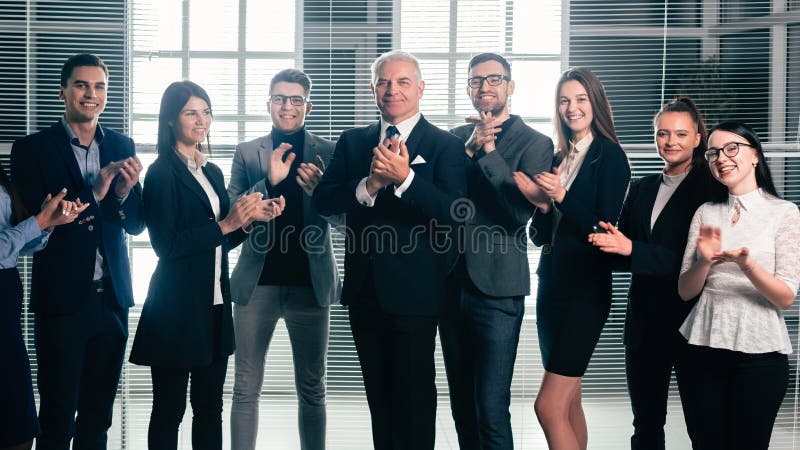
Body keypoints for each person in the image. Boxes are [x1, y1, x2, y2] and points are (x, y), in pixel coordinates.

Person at [313, 50, 466, 450]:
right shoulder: (353, 142)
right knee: (379, 403)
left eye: (401, 82)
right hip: (365, 293)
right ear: (372, 89)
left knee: (414, 402)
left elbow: (455, 214)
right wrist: (370, 186)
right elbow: (323, 202)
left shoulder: (445, 145)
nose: (391, 90)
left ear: (420, 89)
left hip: (417, 295)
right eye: (383, 82)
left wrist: (407, 179)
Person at [128, 81, 284, 450]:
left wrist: (248, 221)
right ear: (170, 120)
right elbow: (167, 247)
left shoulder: (211, 171)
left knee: (210, 409)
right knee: (170, 410)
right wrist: (226, 224)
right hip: (175, 311)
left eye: (206, 111)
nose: (202, 120)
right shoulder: (162, 173)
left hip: (214, 308)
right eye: (191, 112)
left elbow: (219, 244)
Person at [10, 53, 145, 450]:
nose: (91, 94)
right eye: (82, 85)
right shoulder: (32, 149)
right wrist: (95, 192)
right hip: (62, 302)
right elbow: (38, 222)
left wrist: (120, 194)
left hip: (112, 300)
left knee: (98, 417)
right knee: (56, 414)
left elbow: (135, 222)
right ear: (62, 92)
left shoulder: (122, 144)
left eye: (99, 86)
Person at [587, 97, 724, 449]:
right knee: (646, 426)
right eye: (662, 133)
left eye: (681, 133)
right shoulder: (643, 187)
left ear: (698, 138)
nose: (670, 141)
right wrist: (603, 244)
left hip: (693, 326)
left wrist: (631, 250)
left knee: (704, 427)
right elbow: (626, 252)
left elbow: (694, 261)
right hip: (645, 325)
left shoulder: (713, 190)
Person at [513, 67, 630, 450]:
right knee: (568, 400)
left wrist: (561, 197)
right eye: (564, 100)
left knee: (547, 406)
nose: (572, 107)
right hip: (551, 290)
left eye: (580, 99)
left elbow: (603, 227)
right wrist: (543, 205)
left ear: (595, 103)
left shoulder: (610, 157)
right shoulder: (559, 156)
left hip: (586, 292)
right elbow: (538, 234)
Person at [441, 52, 553, 450]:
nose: (484, 87)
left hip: (498, 289)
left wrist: (489, 154)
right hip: (450, 286)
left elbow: (516, 214)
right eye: (475, 81)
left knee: (490, 409)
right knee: (461, 409)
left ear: (510, 86)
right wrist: (470, 150)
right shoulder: (454, 139)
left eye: (493, 79)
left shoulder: (537, 144)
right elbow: (440, 203)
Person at [228, 68, 341, 450]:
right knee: (245, 386)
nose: (287, 106)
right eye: (280, 98)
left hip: (311, 286)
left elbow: (348, 220)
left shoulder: (330, 152)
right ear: (269, 104)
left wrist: (322, 193)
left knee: (313, 387)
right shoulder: (247, 153)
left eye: (295, 99)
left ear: (308, 105)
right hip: (257, 285)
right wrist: (270, 183)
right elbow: (232, 214)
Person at [676, 121, 800, 450]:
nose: (721, 158)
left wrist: (747, 264)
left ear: (755, 156)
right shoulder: (706, 213)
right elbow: (685, 291)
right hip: (701, 351)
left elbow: (785, 297)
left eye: (732, 148)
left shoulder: (784, 213)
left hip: (760, 358)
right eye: (713, 153)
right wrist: (705, 261)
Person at [0, 161, 88, 450]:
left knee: (17, 420)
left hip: (7, 294)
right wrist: (38, 221)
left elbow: (15, 247)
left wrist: (48, 223)